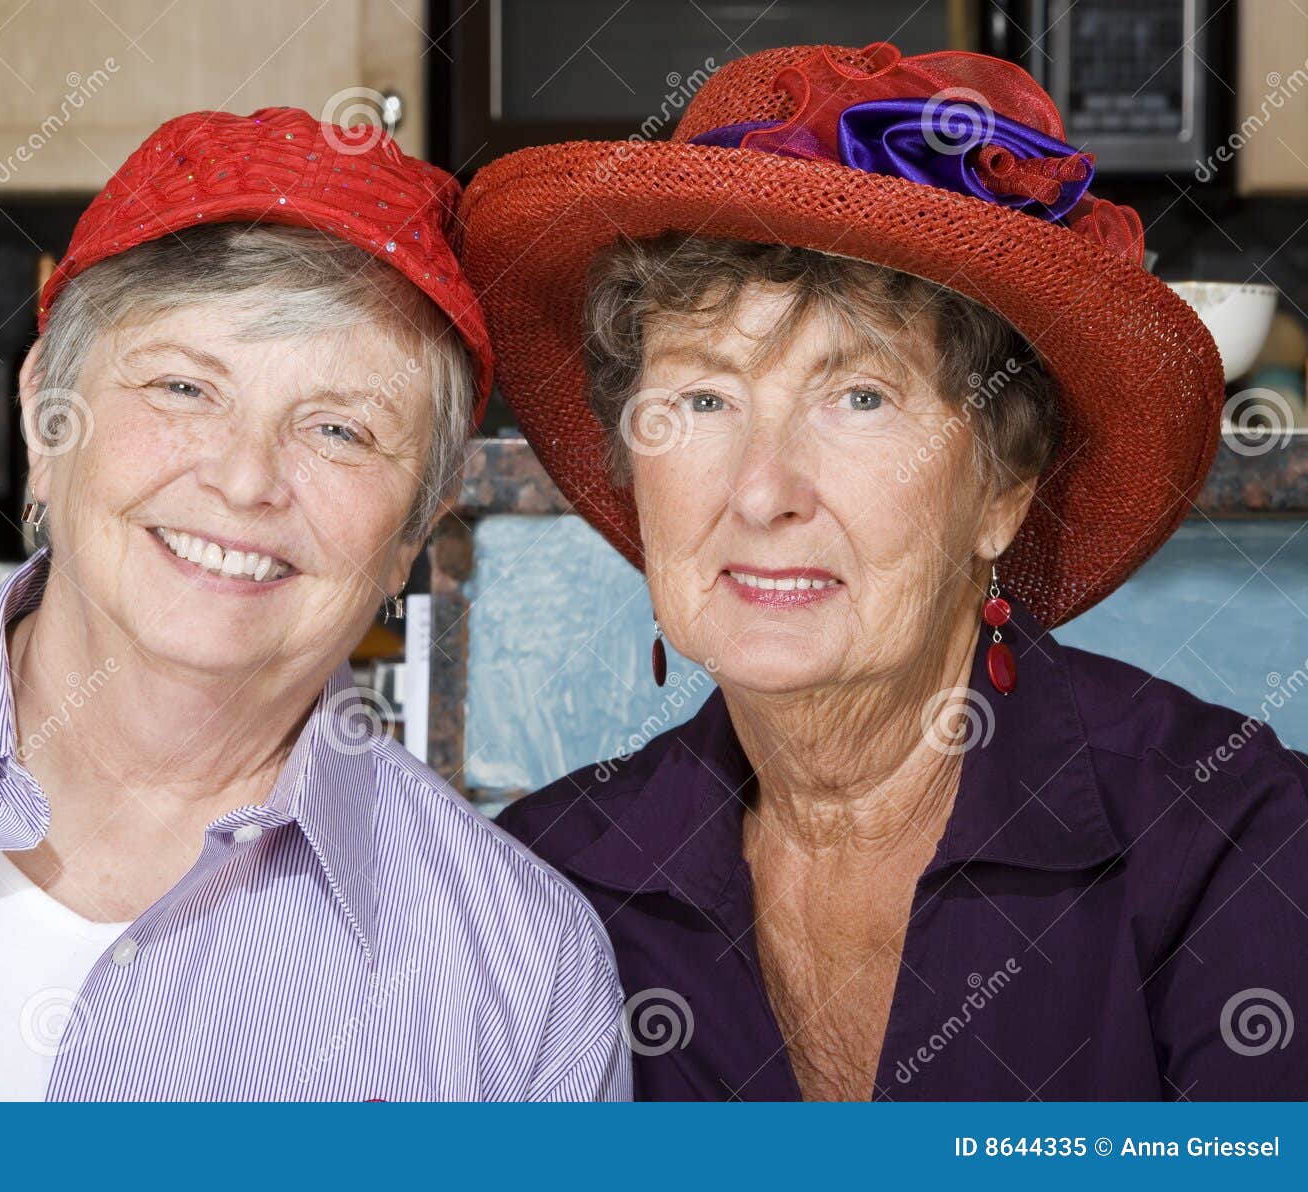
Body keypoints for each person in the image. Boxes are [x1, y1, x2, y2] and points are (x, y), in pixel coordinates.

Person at [0, 107, 628, 1101]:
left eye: (339, 430)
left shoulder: (527, 978)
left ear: (417, 523)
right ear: (45, 414)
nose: (244, 481)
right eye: (184, 388)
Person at [461, 42, 1308, 1100]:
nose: (763, 492)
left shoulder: (1235, 844)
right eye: (704, 399)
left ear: (1001, 486)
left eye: (858, 397)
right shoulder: (542, 879)